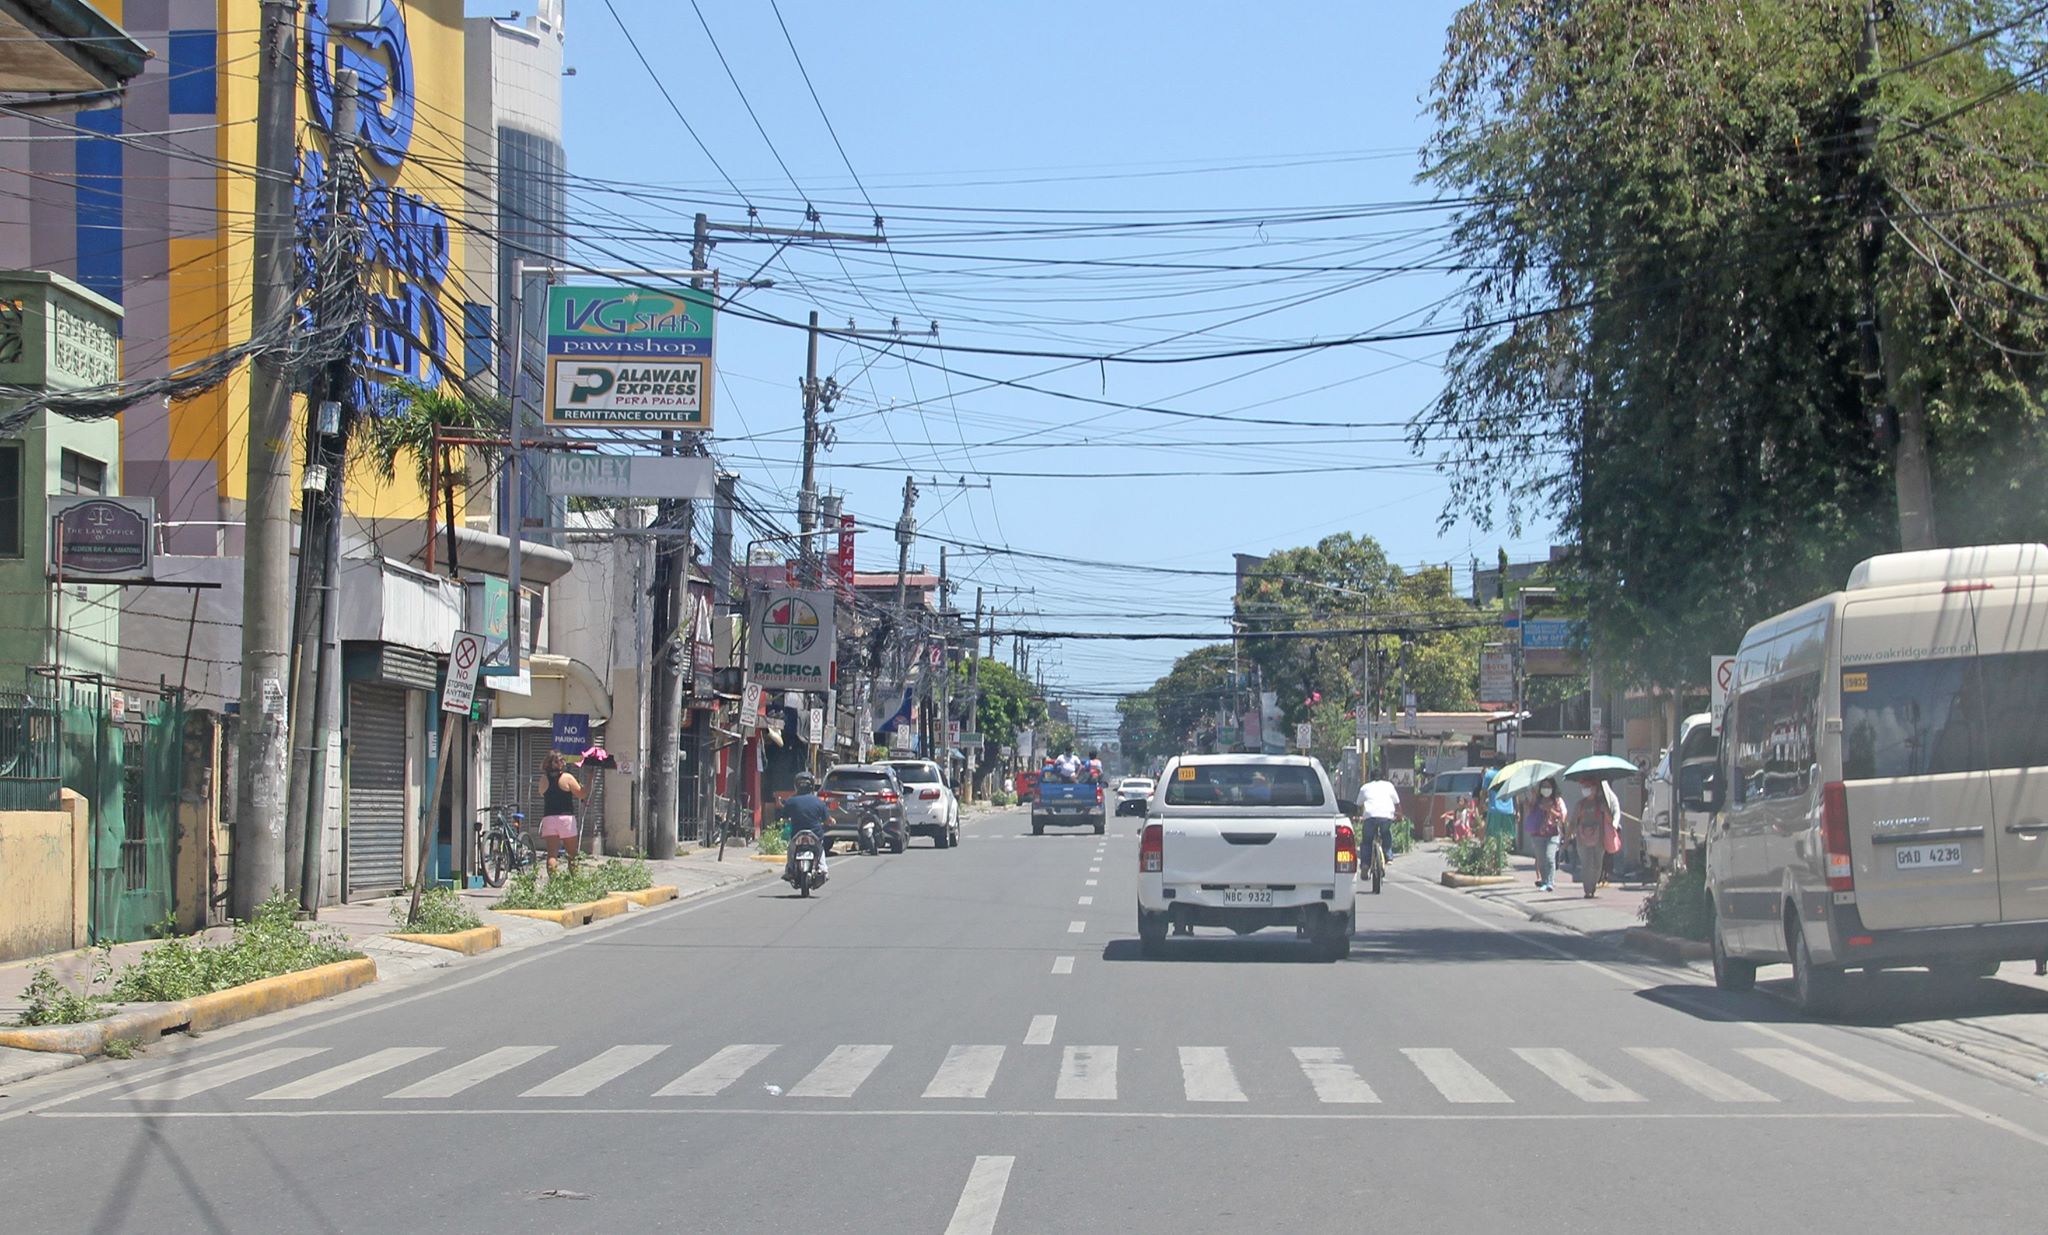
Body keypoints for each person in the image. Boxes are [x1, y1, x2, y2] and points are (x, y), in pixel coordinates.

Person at [1569, 776, 1621, 899]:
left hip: (1599, 840)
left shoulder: (1602, 804)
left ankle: (1592, 886)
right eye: (1584, 787)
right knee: (1587, 864)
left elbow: (1611, 820)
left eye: (1589, 787)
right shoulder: (1580, 805)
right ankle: (1588, 890)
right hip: (1582, 840)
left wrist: (1606, 811)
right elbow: (1572, 822)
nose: (1586, 789)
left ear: (1595, 788)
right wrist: (1567, 838)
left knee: (1597, 865)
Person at [537, 750, 587, 875]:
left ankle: (553, 884)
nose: (564, 762)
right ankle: (574, 880)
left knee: (552, 855)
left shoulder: (543, 779)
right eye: (562, 760)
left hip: (549, 818)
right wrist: (590, 779)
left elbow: (541, 792)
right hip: (566, 818)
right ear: (559, 763)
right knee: (572, 854)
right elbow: (582, 794)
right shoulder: (567, 778)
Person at [779, 772, 833, 883]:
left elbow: (784, 816)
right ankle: (823, 869)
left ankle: (789, 870)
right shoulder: (819, 802)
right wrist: (831, 821)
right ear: (812, 786)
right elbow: (828, 820)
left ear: (796, 785)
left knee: (791, 849)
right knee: (820, 850)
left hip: (797, 834)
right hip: (815, 835)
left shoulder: (791, 801)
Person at [1523, 777, 1565, 892]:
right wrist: (1528, 803)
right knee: (1541, 859)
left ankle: (1551, 882)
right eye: (1544, 787)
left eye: (1548, 786)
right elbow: (1529, 812)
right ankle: (1545, 881)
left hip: (1553, 834)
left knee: (1549, 857)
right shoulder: (1536, 800)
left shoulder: (1557, 801)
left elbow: (1562, 817)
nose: (1546, 789)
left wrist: (1550, 810)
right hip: (1538, 834)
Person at [1358, 770, 1401, 868]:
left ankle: (1365, 863)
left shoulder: (1365, 787)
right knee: (1385, 833)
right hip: (1386, 816)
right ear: (1383, 777)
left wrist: (1359, 815)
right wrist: (1399, 815)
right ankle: (1389, 857)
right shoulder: (1389, 786)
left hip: (1370, 816)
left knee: (1367, 840)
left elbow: (1359, 804)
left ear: (1370, 778)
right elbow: (1397, 803)